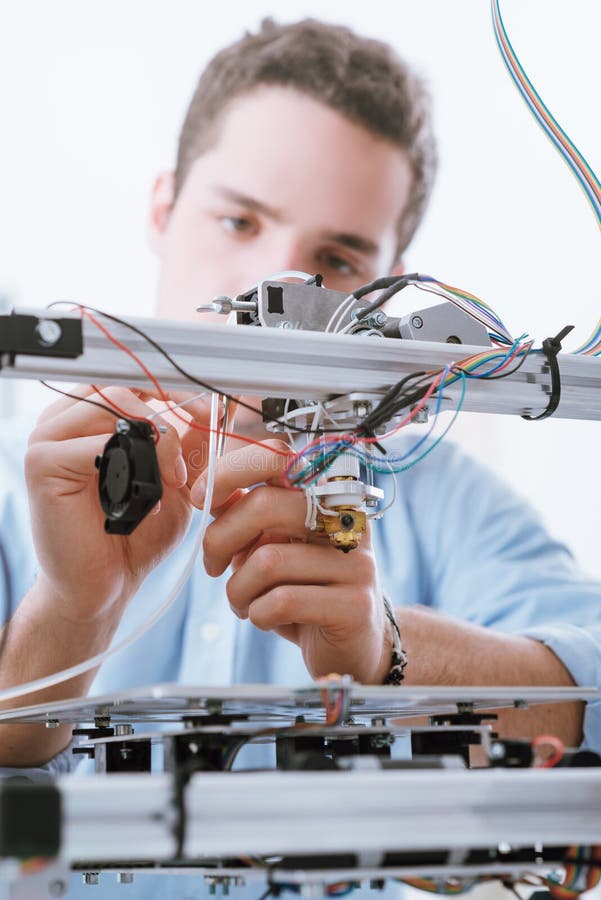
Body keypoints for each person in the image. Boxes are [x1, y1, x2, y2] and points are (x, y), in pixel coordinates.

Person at [1, 16, 601, 896]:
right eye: (239, 220)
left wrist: (387, 657)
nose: (270, 294)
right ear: (162, 208)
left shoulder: (446, 500)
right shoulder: (31, 489)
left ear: (398, 279)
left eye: (337, 260)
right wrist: (73, 613)